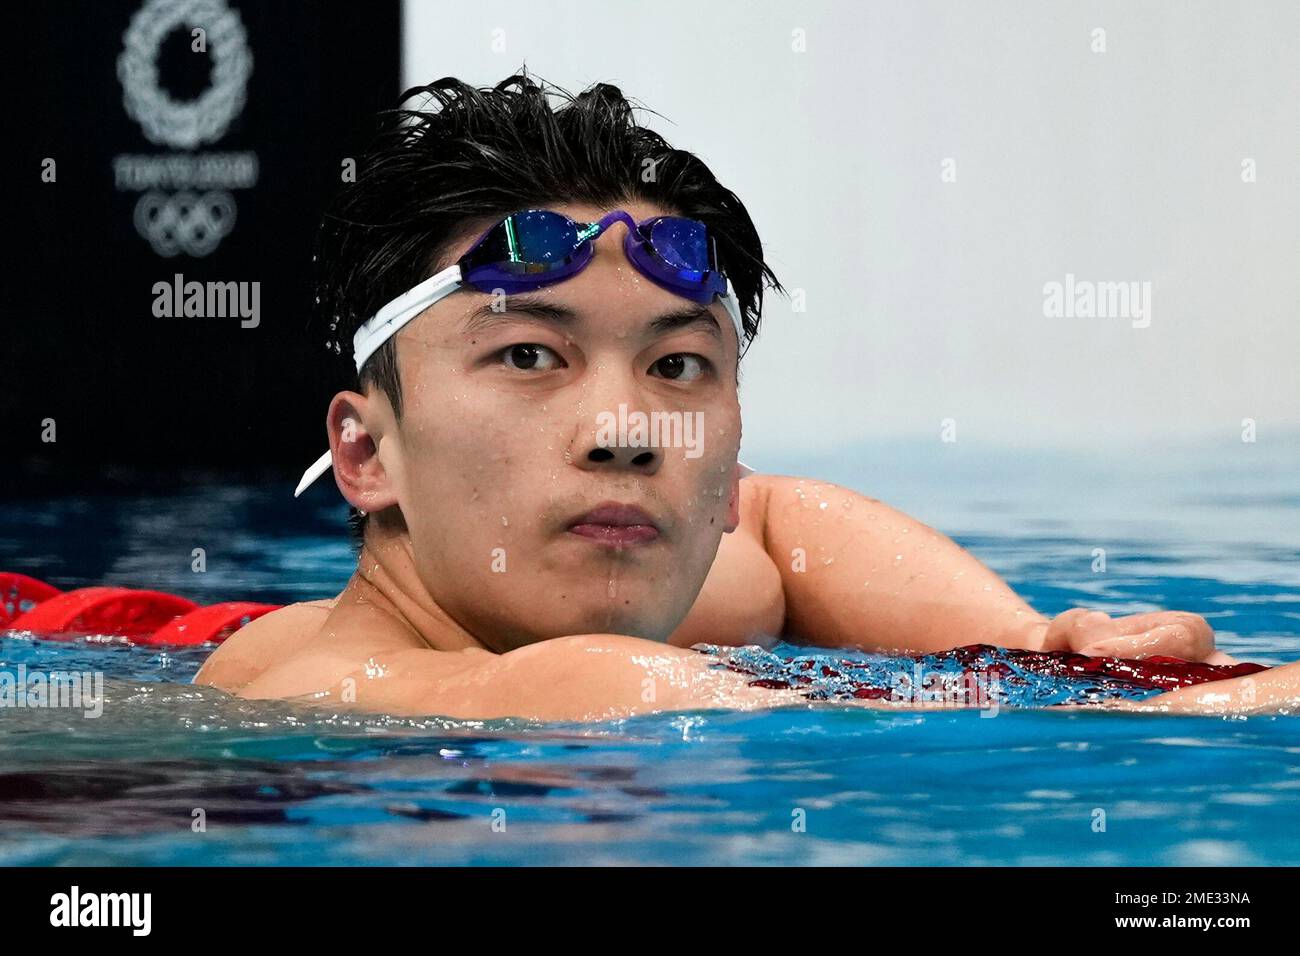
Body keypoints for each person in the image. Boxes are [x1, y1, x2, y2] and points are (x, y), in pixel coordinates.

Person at [194, 73, 1293, 720]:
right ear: (364, 451)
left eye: (677, 367)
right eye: (529, 357)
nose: (627, 431)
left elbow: (773, 527)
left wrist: (1035, 633)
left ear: (724, 464)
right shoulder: (548, 679)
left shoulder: (576, 572)